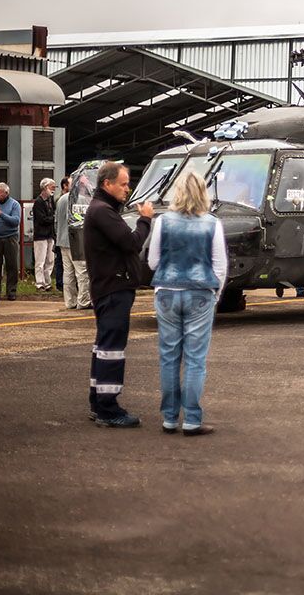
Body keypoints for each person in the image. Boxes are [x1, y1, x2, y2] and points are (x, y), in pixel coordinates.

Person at [148, 172, 227, 436]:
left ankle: (170, 418)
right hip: (200, 293)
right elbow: (220, 266)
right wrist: (215, 294)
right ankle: (192, 419)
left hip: (167, 292)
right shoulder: (212, 223)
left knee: (169, 357)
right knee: (195, 359)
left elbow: (152, 261)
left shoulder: (162, 222)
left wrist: (168, 276)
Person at [84, 161, 154, 428]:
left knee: (103, 348)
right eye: (123, 184)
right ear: (107, 184)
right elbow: (132, 242)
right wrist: (145, 219)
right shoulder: (103, 212)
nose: (128, 189)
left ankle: (97, 401)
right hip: (113, 289)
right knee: (112, 350)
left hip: (109, 288)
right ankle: (108, 408)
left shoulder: (102, 210)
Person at [55, 177, 91, 310]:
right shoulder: (81, 200)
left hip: (62, 240)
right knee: (82, 273)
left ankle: (70, 301)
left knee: (68, 273)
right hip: (76, 241)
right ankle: (83, 301)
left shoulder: (61, 200)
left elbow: (56, 221)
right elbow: (83, 222)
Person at [0, 182, 22, 301]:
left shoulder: (14, 205)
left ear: (6, 193)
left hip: (10, 237)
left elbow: (15, 221)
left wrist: (1, 214)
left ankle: (11, 291)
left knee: (11, 265)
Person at [33, 178, 58, 291]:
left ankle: (47, 282)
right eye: (52, 187)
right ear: (45, 187)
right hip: (40, 235)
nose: (53, 189)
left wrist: (52, 218)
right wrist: (53, 218)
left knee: (50, 260)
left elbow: (52, 215)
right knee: (40, 260)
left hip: (50, 234)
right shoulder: (38, 202)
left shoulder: (50, 200)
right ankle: (39, 283)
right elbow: (42, 219)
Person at [53, 177, 69, 291]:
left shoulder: (61, 199)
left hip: (61, 235)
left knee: (65, 264)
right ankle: (60, 283)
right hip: (63, 235)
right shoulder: (60, 199)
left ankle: (63, 284)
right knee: (61, 262)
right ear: (65, 185)